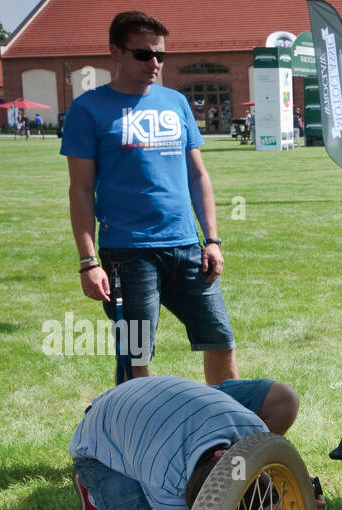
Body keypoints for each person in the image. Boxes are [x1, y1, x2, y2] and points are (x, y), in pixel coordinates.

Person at [61, 9, 237, 387]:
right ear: (116, 53)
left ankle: (229, 428)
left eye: (160, 54)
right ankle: (128, 437)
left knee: (220, 339)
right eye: (143, 54)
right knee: (135, 352)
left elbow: (197, 174)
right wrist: (88, 261)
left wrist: (213, 239)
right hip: (128, 252)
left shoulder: (175, 103)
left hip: (188, 247)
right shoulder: (88, 109)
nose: (154, 63)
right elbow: (80, 189)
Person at [70, 375, 303, 510]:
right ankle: (97, 497)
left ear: (223, 454)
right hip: (100, 435)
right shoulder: (163, 478)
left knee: (282, 400)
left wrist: (299, 498)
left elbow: (276, 478)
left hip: (162, 403)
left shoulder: (253, 432)